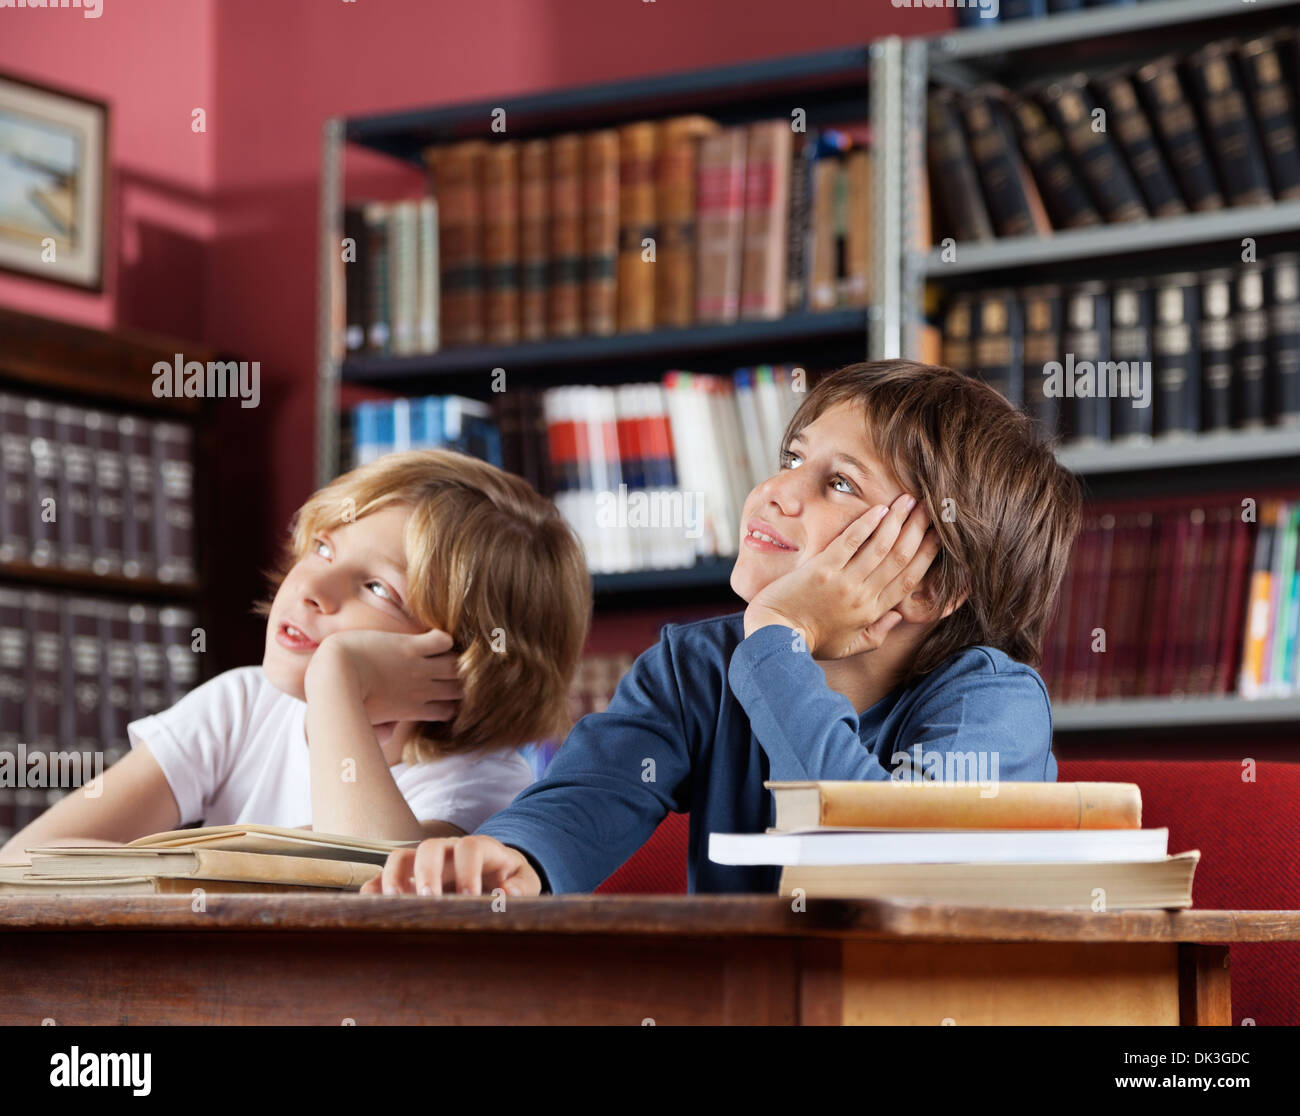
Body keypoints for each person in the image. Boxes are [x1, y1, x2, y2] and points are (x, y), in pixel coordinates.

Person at [365, 359, 1084, 897]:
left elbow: (882, 862)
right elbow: (588, 795)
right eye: (793, 459)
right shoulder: (696, 668)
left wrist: (777, 642)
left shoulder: (993, 705)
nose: (775, 491)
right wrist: (515, 857)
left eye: (839, 483)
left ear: (932, 584)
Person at [0, 450, 591, 862]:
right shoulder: (243, 705)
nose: (310, 586)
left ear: (465, 657)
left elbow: (369, 908)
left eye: (378, 588)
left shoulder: (482, 789)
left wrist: (338, 683)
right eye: (323, 547)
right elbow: (23, 867)